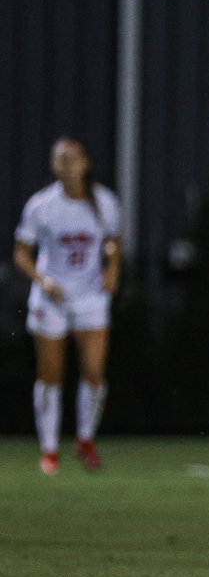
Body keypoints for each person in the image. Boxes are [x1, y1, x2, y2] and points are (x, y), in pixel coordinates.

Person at [12, 138, 121, 474]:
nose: (67, 165)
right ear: (53, 165)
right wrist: (41, 280)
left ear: (85, 162)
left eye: (72, 158)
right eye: (60, 159)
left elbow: (113, 242)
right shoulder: (41, 205)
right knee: (51, 375)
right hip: (51, 299)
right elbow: (20, 252)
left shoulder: (103, 202)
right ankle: (49, 449)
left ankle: (85, 440)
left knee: (93, 373)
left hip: (90, 297)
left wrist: (112, 268)